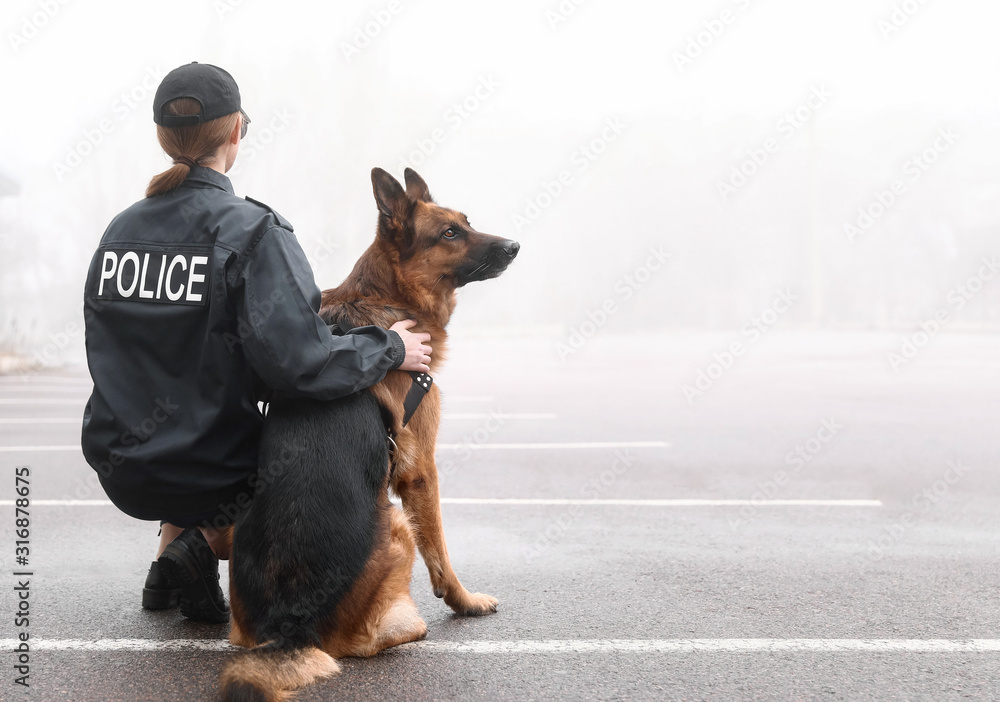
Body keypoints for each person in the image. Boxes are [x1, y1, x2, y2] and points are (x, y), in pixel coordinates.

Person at [80, 62, 432, 623]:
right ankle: (200, 544)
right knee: (296, 444)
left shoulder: (120, 231)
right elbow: (301, 366)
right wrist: (388, 349)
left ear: (161, 137)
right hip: (209, 467)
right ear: (235, 134)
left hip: (119, 462)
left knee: (193, 407)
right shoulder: (253, 230)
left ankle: (171, 573)